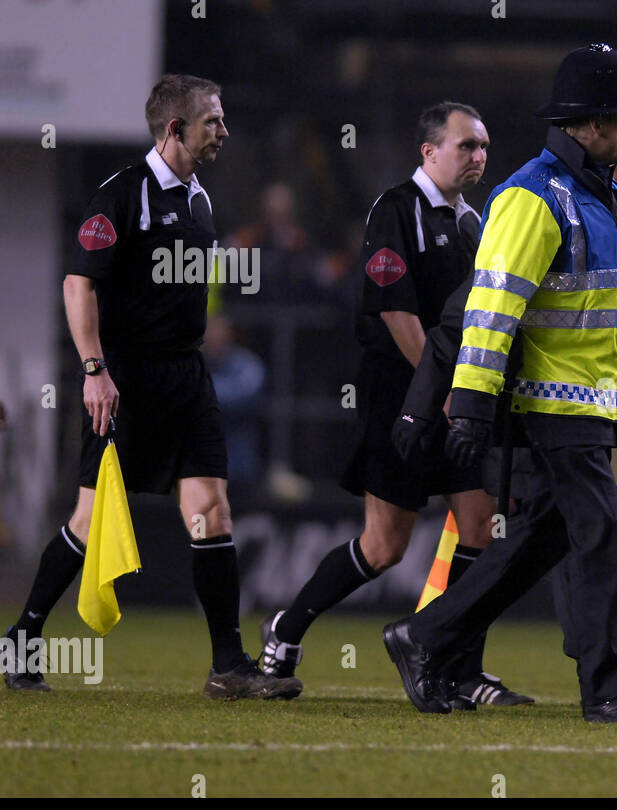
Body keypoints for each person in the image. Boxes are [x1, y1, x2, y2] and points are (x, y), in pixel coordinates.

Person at [381, 44, 617, 725]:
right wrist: (472, 410)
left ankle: (423, 636)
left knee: (546, 539)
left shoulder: (604, 196)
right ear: (588, 125)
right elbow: (491, 310)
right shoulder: (534, 197)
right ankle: (608, 687)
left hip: (594, 400)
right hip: (551, 400)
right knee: (598, 535)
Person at [2, 74, 299, 699]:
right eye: (213, 121)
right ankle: (21, 639)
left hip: (187, 377)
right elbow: (77, 284)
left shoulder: (199, 200)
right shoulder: (122, 195)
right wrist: (93, 369)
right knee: (89, 522)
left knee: (212, 510)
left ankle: (228, 666)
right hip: (125, 378)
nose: (223, 131)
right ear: (175, 129)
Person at [257, 103, 528, 706]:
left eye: (484, 146)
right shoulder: (395, 209)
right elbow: (394, 311)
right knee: (385, 546)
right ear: (429, 152)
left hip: (458, 395)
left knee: (479, 523)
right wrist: (443, 390)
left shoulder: (473, 223)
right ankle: (286, 628)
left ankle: (461, 670)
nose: (479, 156)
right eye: (467, 146)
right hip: (399, 396)